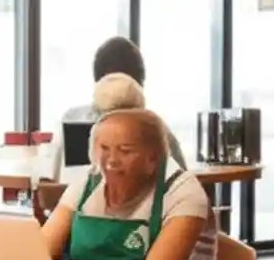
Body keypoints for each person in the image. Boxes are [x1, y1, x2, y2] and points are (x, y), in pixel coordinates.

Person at [41, 109, 208, 260]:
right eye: (104, 149)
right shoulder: (86, 184)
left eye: (125, 151)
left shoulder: (181, 190)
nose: (111, 161)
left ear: (153, 158)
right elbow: (40, 251)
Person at [60, 37, 188, 168]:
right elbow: (182, 179)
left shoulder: (72, 119)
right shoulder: (156, 129)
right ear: (139, 82)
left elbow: (49, 182)